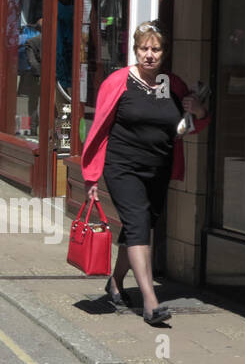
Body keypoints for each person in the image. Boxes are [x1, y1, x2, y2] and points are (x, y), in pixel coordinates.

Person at [83, 22, 210, 326]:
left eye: (156, 49)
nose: (149, 55)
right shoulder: (118, 82)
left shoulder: (173, 85)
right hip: (122, 167)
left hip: (158, 169)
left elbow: (190, 127)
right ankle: (151, 303)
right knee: (139, 224)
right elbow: (99, 130)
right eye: (144, 48)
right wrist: (91, 178)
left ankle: (115, 282)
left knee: (136, 228)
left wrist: (199, 111)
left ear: (164, 53)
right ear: (135, 50)